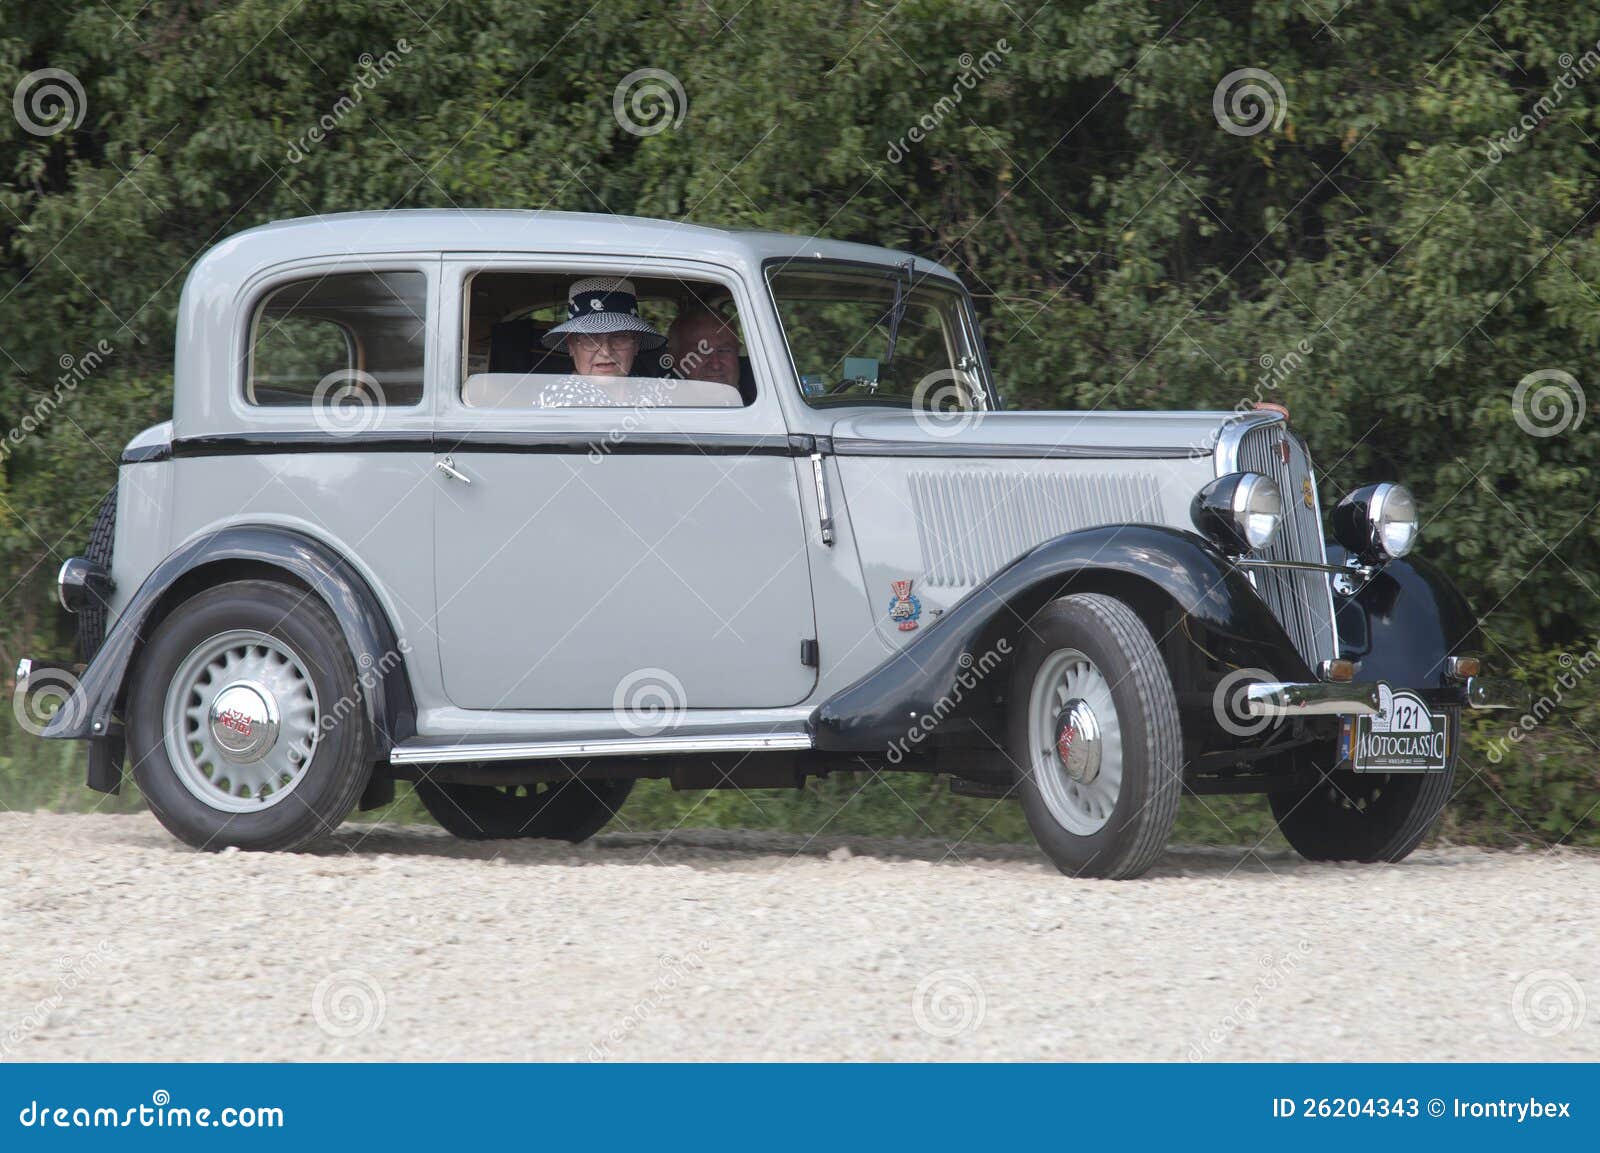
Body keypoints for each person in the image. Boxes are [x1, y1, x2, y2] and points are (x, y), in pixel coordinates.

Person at [532, 277, 668, 407]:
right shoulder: (561, 397)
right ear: (571, 346)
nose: (605, 352)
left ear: (636, 343)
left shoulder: (651, 390)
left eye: (619, 336)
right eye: (590, 338)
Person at [666, 305, 742, 389]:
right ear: (674, 357)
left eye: (723, 350)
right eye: (699, 352)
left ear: (738, 351)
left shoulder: (757, 393)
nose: (715, 365)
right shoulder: (660, 401)